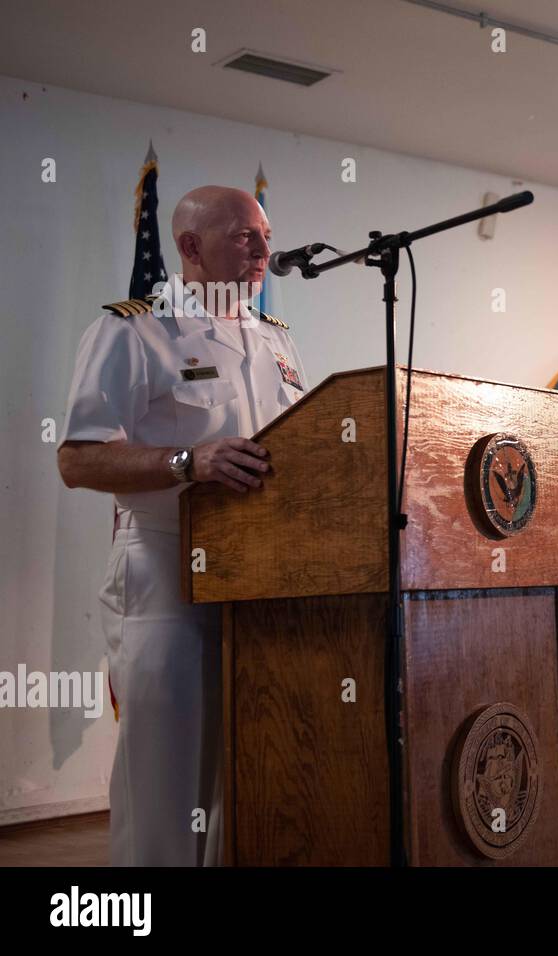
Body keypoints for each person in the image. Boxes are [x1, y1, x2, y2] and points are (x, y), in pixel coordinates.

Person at [58, 186, 309, 865]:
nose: (262, 249)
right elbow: (77, 458)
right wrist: (184, 461)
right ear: (191, 248)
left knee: (244, 767)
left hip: (259, 575)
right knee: (164, 777)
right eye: (243, 236)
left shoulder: (275, 340)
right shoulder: (133, 330)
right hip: (167, 566)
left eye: (264, 233)